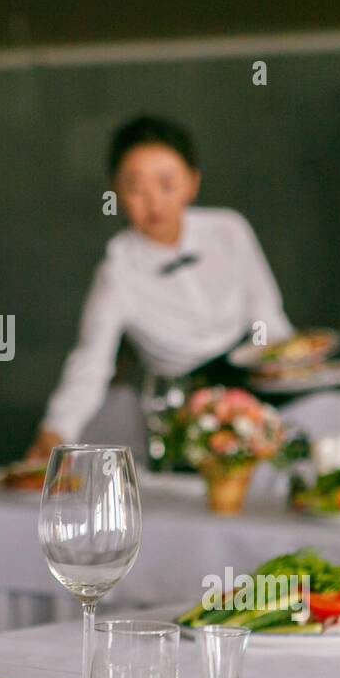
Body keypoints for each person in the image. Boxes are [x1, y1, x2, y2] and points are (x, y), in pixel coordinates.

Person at [27, 114, 293, 460]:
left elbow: (266, 317)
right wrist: (54, 430)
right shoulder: (117, 270)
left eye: (167, 184)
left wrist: (285, 362)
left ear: (192, 183)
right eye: (136, 189)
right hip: (182, 412)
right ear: (116, 191)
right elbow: (91, 363)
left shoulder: (229, 229)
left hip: (258, 387)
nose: (154, 203)